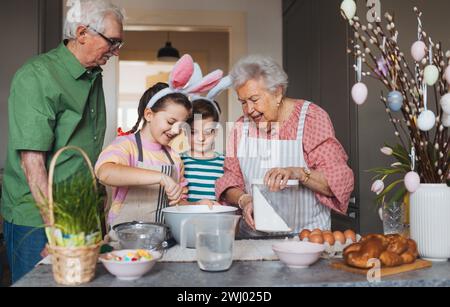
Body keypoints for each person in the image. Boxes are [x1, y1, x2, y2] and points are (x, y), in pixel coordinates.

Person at [0, 0, 124, 283]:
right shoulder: (37, 77)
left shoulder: (93, 75)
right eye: (113, 42)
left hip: (81, 212)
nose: (116, 52)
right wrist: (54, 231)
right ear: (82, 34)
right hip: (38, 218)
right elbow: (33, 164)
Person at [215, 55, 354, 237]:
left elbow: (336, 183)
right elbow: (230, 180)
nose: (249, 110)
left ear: (277, 93)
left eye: (254, 99)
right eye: (243, 102)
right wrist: (244, 200)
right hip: (254, 240)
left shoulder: (311, 119)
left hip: (306, 239)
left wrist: (298, 173)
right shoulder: (241, 128)